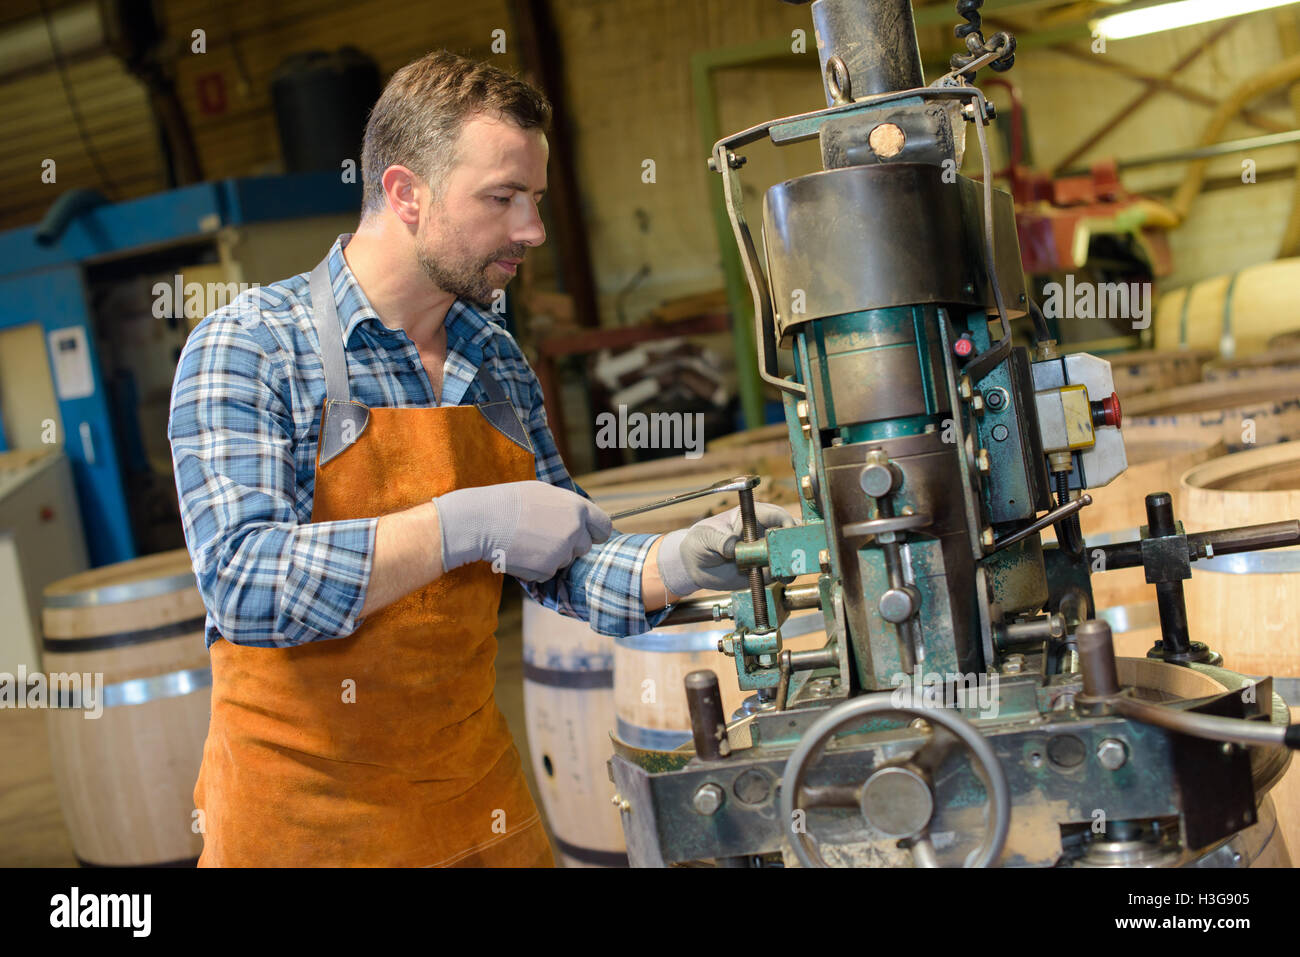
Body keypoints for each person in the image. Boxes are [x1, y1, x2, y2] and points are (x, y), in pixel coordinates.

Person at [168, 50, 793, 867]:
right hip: (303, 823)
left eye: (532, 199)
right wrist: (465, 522)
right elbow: (246, 583)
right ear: (404, 192)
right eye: (502, 198)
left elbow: (566, 565)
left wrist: (680, 561)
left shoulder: (493, 357)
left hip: (475, 804)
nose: (531, 229)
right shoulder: (250, 344)